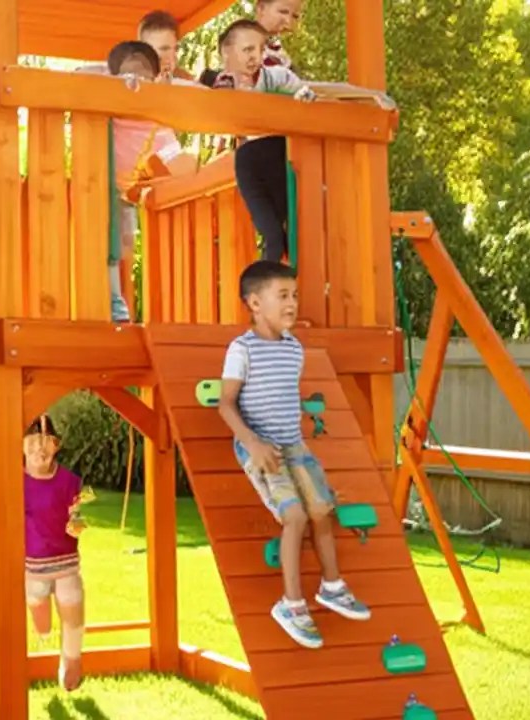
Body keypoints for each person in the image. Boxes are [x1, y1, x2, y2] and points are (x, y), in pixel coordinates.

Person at [216, 261, 370, 649]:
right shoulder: (242, 349)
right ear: (254, 302)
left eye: (295, 295)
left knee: (321, 509)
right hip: (262, 447)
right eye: (282, 295)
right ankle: (291, 604)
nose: (292, 303)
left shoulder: (294, 348)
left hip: (294, 444)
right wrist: (252, 443)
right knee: (296, 516)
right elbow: (226, 405)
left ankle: (332, 586)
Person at [102, 41, 200, 322]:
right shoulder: (105, 104)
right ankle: (113, 302)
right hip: (91, 183)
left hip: (118, 191)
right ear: (112, 79)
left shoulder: (157, 126)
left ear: (155, 81)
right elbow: (82, 75)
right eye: (127, 78)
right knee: (106, 243)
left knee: (122, 242)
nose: (135, 85)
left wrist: (199, 163)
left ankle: (115, 300)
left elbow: (178, 164)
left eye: (143, 78)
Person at [212, 19, 316, 264]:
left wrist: (303, 96)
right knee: (271, 233)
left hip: (279, 154)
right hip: (250, 160)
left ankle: (294, 286)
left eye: (260, 50)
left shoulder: (273, 76)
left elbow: (299, 89)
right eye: (247, 50)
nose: (255, 57)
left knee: (292, 232)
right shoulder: (225, 82)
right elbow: (219, 107)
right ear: (227, 54)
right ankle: (268, 283)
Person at [23, 415, 93, 691]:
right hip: (34, 564)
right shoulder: (15, 480)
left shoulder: (68, 481)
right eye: (32, 443)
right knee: (38, 604)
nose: (40, 451)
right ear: (21, 446)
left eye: (46, 444)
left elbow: (75, 513)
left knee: (72, 600)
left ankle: (72, 661)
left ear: (56, 446)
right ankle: (44, 631)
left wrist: (76, 521)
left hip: (66, 562)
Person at [136, 10, 195, 82]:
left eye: (175, 50)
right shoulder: (124, 85)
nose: (172, 61)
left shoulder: (188, 85)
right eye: (163, 50)